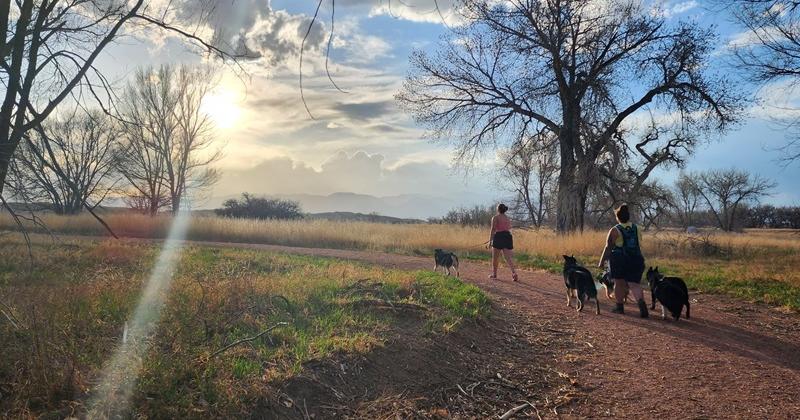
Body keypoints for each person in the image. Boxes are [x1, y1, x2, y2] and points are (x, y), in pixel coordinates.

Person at [597, 204, 649, 318]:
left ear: (618, 217)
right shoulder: (637, 228)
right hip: (636, 258)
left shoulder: (615, 230)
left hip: (620, 259)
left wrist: (602, 262)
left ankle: (619, 307)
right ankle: (642, 305)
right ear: (628, 216)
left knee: (619, 283)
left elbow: (608, 247)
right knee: (634, 284)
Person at [488, 204, 518, 282]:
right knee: (508, 257)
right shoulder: (507, 218)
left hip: (499, 236)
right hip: (508, 236)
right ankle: (514, 273)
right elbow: (508, 228)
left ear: (498, 209)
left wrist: (490, 241)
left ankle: (494, 274)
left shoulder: (495, 217)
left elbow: (493, 229)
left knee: (495, 258)